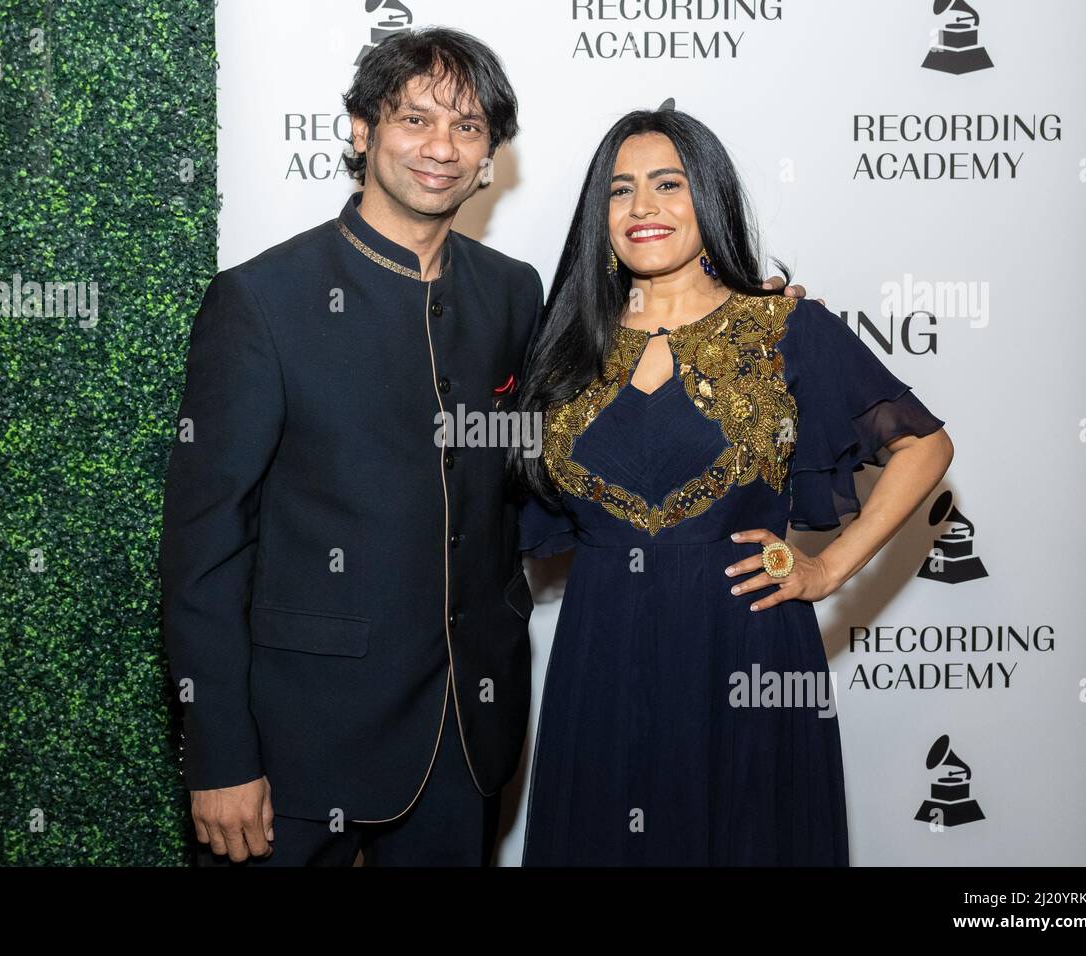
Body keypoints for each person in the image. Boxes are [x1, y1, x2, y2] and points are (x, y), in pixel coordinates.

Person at [160, 27, 805, 867]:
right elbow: (204, 551)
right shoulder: (260, 302)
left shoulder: (513, 293)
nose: (441, 147)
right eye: (414, 119)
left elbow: (589, 419)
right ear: (360, 130)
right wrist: (219, 757)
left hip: (470, 737)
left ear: (490, 153)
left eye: (467, 128)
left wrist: (749, 320)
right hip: (298, 748)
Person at [509, 107, 954, 865]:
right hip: (602, 653)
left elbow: (925, 445)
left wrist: (829, 568)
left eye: (667, 184)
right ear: (599, 215)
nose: (643, 208)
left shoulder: (786, 329)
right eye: (619, 191)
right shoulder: (565, 344)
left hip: (746, 644)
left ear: (707, 196)